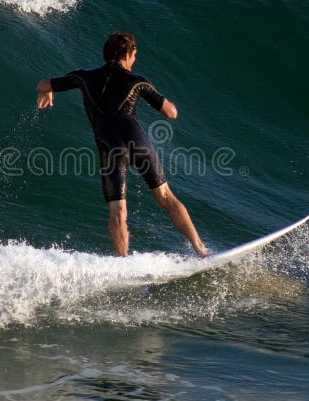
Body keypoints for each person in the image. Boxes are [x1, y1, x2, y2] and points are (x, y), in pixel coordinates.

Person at [36, 32, 210, 257]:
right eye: (134, 55)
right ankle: (201, 249)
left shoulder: (83, 77)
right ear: (127, 54)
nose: (134, 60)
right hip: (136, 141)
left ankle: (123, 262)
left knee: (118, 211)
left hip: (109, 147)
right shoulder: (137, 81)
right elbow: (171, 112)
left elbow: (42, 83)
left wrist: (48, 92)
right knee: (165, 196)